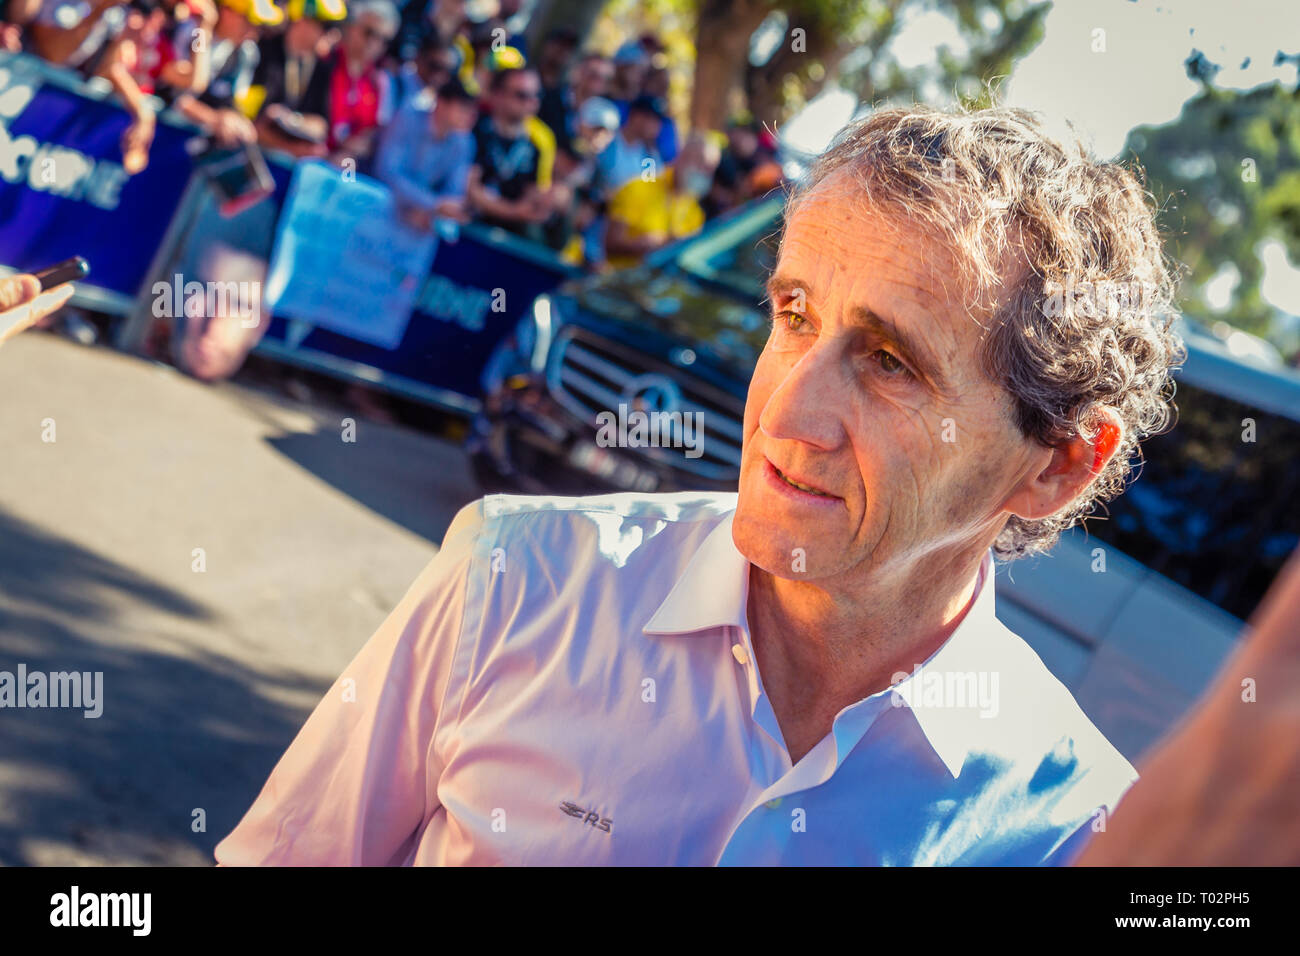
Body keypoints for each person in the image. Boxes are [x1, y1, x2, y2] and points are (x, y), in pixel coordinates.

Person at [214, 105, 1193, 866]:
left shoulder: (1068, 822)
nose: (786, 410)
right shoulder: (511, 580)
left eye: (891, 361)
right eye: (794, 313)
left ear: (1060, 462)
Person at [603, 130, 719, 269]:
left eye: (710, 169)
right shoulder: (638, 188)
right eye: (700, 163)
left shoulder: (695, 213)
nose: (704, 172)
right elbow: (609, 245)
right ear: (682, 157)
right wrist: (639, 246)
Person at [373, 75, 476, 231]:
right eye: (463, 108)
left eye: (471, 111)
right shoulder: (406, 118)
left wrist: (438, 209)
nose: (469, 117)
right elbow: (386, 172)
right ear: (441, 103)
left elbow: (454, 191)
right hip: (377, 209)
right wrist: (432, 204)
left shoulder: (465, 142)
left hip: (420, 224)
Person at [466, 64, 556, 240]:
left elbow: (531, 197)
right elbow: (470, 190)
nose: (532, 102)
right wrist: (514, 211)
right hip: (468, 225)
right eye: (522, 95)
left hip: (508, 235)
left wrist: (543, 204)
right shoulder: (474, 129)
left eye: (536, 95)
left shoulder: (535, 146)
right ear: (498, 94)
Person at [247, 0, 346, 157]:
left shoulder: (322, 67)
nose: (334, 36)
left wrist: (291, 120)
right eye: (326, 26)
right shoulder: (264, 50)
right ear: (302, 20)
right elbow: (251, 121)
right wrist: (291, 147)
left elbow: (321, 125)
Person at [537, 50, 611, 157]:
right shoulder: (547, 98)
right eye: (593, 75)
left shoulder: (604, 120)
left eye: (604, 79)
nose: (597, 83)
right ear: (578, 72)